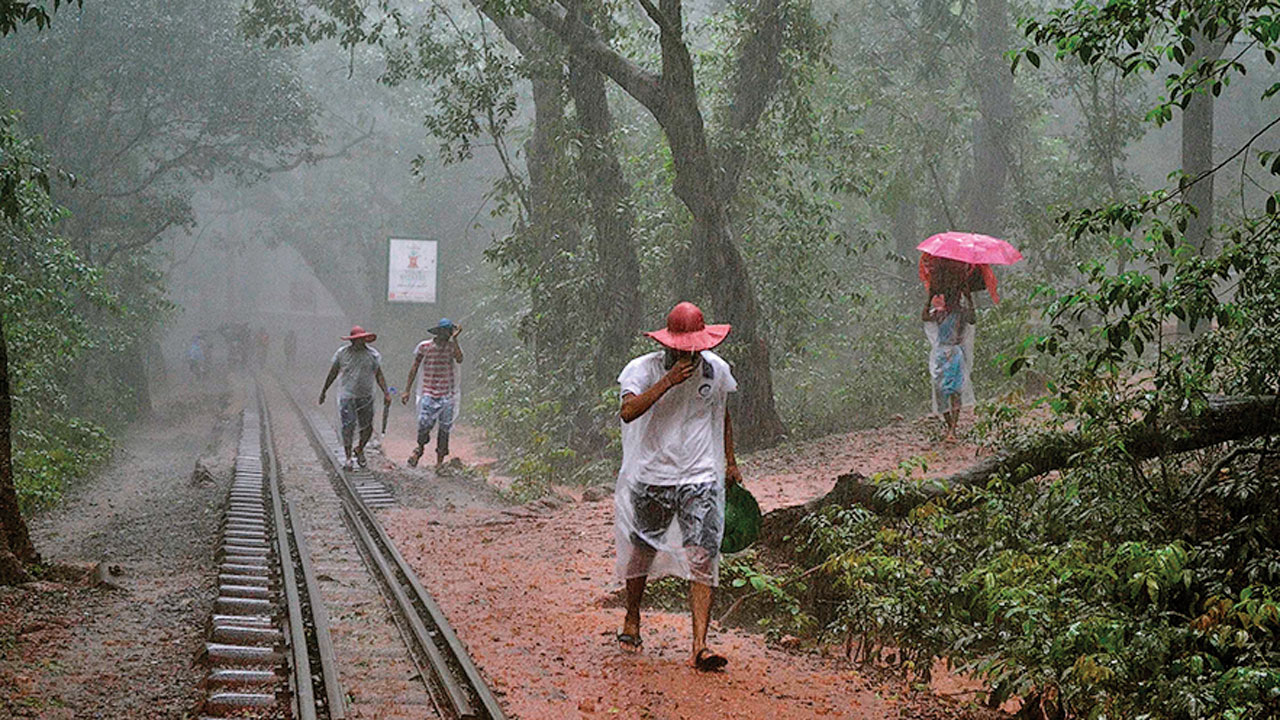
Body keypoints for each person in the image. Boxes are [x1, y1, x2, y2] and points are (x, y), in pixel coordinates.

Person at [614, 301, 741, 672]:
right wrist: (668, 382)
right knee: (642, 551)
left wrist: (730, 461)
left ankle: (700, 644)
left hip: (700, 477)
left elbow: (723, 414)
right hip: (653, 475)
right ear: (667, 344)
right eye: (681, 347)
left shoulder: (716, 371)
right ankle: (632, 618)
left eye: (695, 347)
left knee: (702, 554)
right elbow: (628, 411)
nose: (689, 354)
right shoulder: (641, 369)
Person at [919, 254, 981, 433]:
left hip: (954, 354)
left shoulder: (960, 313)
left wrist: (969, 299)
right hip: (941, 354)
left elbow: (972, 319)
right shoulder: (940, 313)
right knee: (941, 392)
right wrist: (930, 296)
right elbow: (925, 316)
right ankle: (950, 426)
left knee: (954, 391)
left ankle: (952, 428)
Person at [319, 325, 390, 470]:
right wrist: (324, 390)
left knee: (367, 427)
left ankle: (360, 449)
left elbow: (379, 374)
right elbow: (333, 372)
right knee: (348, 426)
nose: (360, 342)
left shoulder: (373, 355)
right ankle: (348, 457)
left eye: (362, 339)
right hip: (347, 395)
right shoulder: (342, 354)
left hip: (366, 395)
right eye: (357, 339)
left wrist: (386, 393)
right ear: (352, 341)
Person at [402, 318, 463, 471]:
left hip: (447, 394)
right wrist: (407, 390)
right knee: (424, 424)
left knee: (445, 428)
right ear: (439, 332)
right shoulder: (424, 346)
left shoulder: (452, 347)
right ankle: (419, 448)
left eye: (450, 332)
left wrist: (456, 339)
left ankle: (439, 462)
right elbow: (414, 368)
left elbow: (460, 359)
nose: (448, 334)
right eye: (447, 332)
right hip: (428, 392)